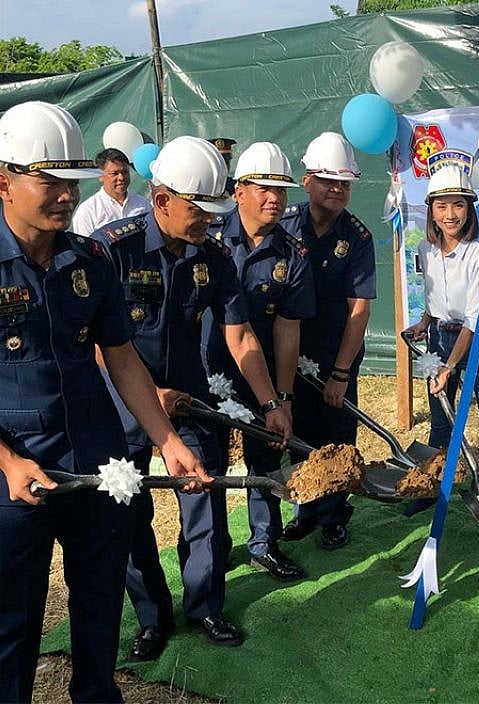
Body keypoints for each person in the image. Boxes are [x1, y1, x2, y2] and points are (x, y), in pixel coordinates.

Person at [0, 101, 206, 703]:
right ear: (3, 180)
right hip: (17, 472)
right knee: (13, 619)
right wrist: (8, 462)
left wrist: (167, 441)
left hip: (95, 460)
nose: (65, 195)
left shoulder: (89, 260)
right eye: (50, 181)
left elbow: (120, 357)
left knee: (99, 602)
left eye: (72, 182)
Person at [93, 135, 292, 660]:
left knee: (203, 501)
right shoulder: (111, 249)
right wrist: (146, 393)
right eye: (197, 210)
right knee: (128, 512)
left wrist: (273, 403)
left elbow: (241, 335)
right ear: (161, 200)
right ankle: (153, 616)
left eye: (213, 212)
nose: (209, 221)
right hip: (118, 405)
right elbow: (93, 343)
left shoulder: (214, 256)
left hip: (190, 399)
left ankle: (206, 606)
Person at [204, 142, 314, 582]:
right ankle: (211, 551)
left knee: (266, 456)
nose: (274, 198)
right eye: (264, 187)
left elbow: (288, 330)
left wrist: (282, 398)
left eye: (281, 190)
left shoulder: (292, 255)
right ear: (238, 191)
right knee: (207, 466)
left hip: (261, 372)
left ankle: (263, 544)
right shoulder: (206, 237)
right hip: (206, 370)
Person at [280, 132, 376, 550]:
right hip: (288, 353)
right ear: (307, 181)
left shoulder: (357, 237)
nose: (337, 189)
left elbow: (359, 309)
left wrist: (340, 373)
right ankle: (306, 508)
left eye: (344, 183)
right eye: (328, 181)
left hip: (336, 355)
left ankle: (335, 515)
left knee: (337, 436)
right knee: (298, 433)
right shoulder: (283, 226)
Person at [403, 163, 479, 516]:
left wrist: (451, 365)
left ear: (470, 208)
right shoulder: (426, 252)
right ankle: (433, 486)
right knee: (441, 420)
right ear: (431, 209)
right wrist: (424, 321)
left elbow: (475, 317)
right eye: (442, 206)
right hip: (439, 340)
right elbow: (437, 300)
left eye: (458, 205)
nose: (450, 215)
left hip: (478, 342)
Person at [70, 147, 148, 235]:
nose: (121, 178)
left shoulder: (142, 204)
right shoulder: (88, 211)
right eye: (114, 173)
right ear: (100, 175)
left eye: (125, 172)